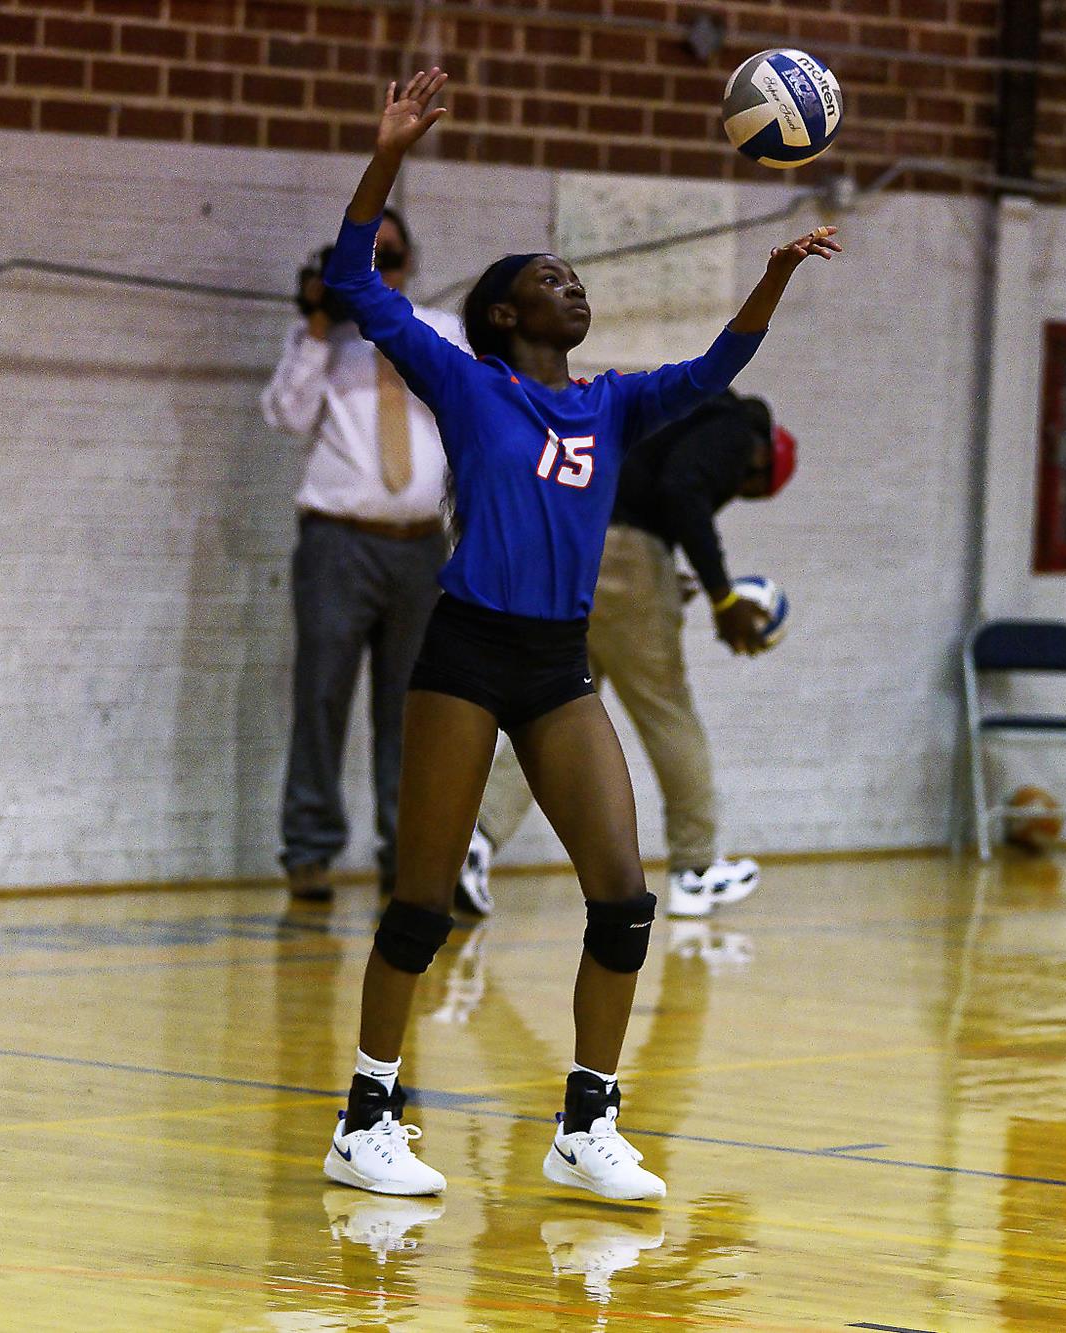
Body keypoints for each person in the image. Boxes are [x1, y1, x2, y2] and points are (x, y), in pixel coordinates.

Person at [315, 67, 838, 1201]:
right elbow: (352, 278)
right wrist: (389, 151)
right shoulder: (465, 384)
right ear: (506, 313)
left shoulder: (609, 404)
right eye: (551, 278)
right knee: (421, 902)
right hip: (464, 651)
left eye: (575, 277)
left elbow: (712, 372)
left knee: (624, 897)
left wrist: (769, 279)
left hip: (555, 666)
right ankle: (365, 1118)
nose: (573, 287)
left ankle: (584, 1124)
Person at [457, 390, 799, 920]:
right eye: (748, 492)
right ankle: (696, 868)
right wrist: (723, 598)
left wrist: (665, 578)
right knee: (668, 711)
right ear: (762, 460)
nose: (737, 496)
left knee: (548, 715)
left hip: (573, 551)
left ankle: (473, 843)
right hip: (622, 555)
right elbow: (681, 490)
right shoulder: (736, 431)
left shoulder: (679, 416)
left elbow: (646, 495)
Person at [260, 206, 467, 903]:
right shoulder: (322, 340)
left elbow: (473, 414)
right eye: (365, 258)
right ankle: (310, 850)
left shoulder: (440, 334)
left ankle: (406, 855)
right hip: (338, 544)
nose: (381, 270)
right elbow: (285, 416)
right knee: (321, 696)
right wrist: (319, 322)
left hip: (421, 550)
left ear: (412, 266)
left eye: (394, 257)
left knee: (412, 708)